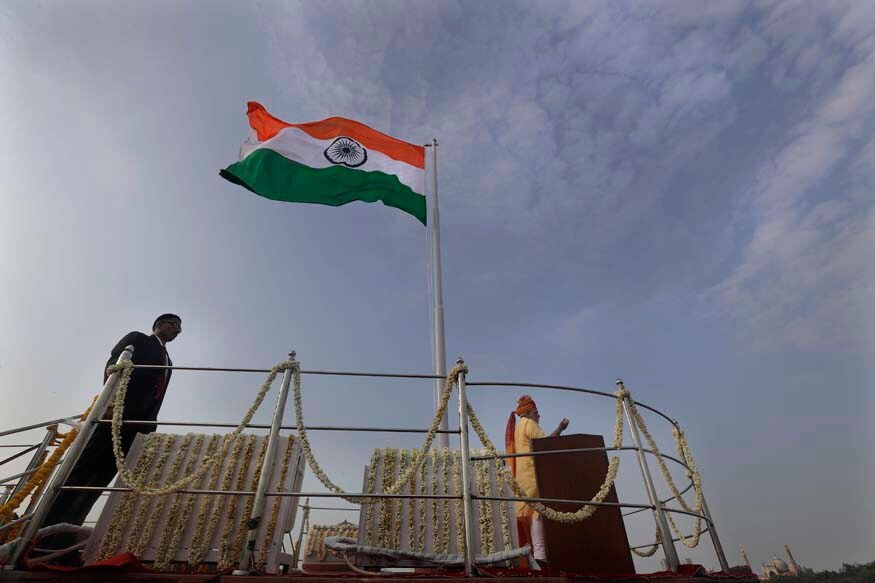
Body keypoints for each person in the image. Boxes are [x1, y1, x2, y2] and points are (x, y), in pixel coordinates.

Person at [41, 314, 182, 552]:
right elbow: (116, 366)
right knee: (80, 477)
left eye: (179, 328)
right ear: (158, 325)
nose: (177, 330)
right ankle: (40, 538)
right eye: (172, 324)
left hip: (138, 426)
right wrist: (110, 403)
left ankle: (63, 544)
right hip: (115, 417)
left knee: (97, 484)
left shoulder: (168, 359)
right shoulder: (138, 339)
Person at [505, 395, 568, 569]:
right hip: (533, 476)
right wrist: (560, 428)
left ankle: (536, 556)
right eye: (536, 412)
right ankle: (540, 556)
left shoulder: (519, 427)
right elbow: (545, 444)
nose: (539, 416)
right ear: (529, 412)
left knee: (533, 516)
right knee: (537, 514)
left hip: (523, 477)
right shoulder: (529, 424)